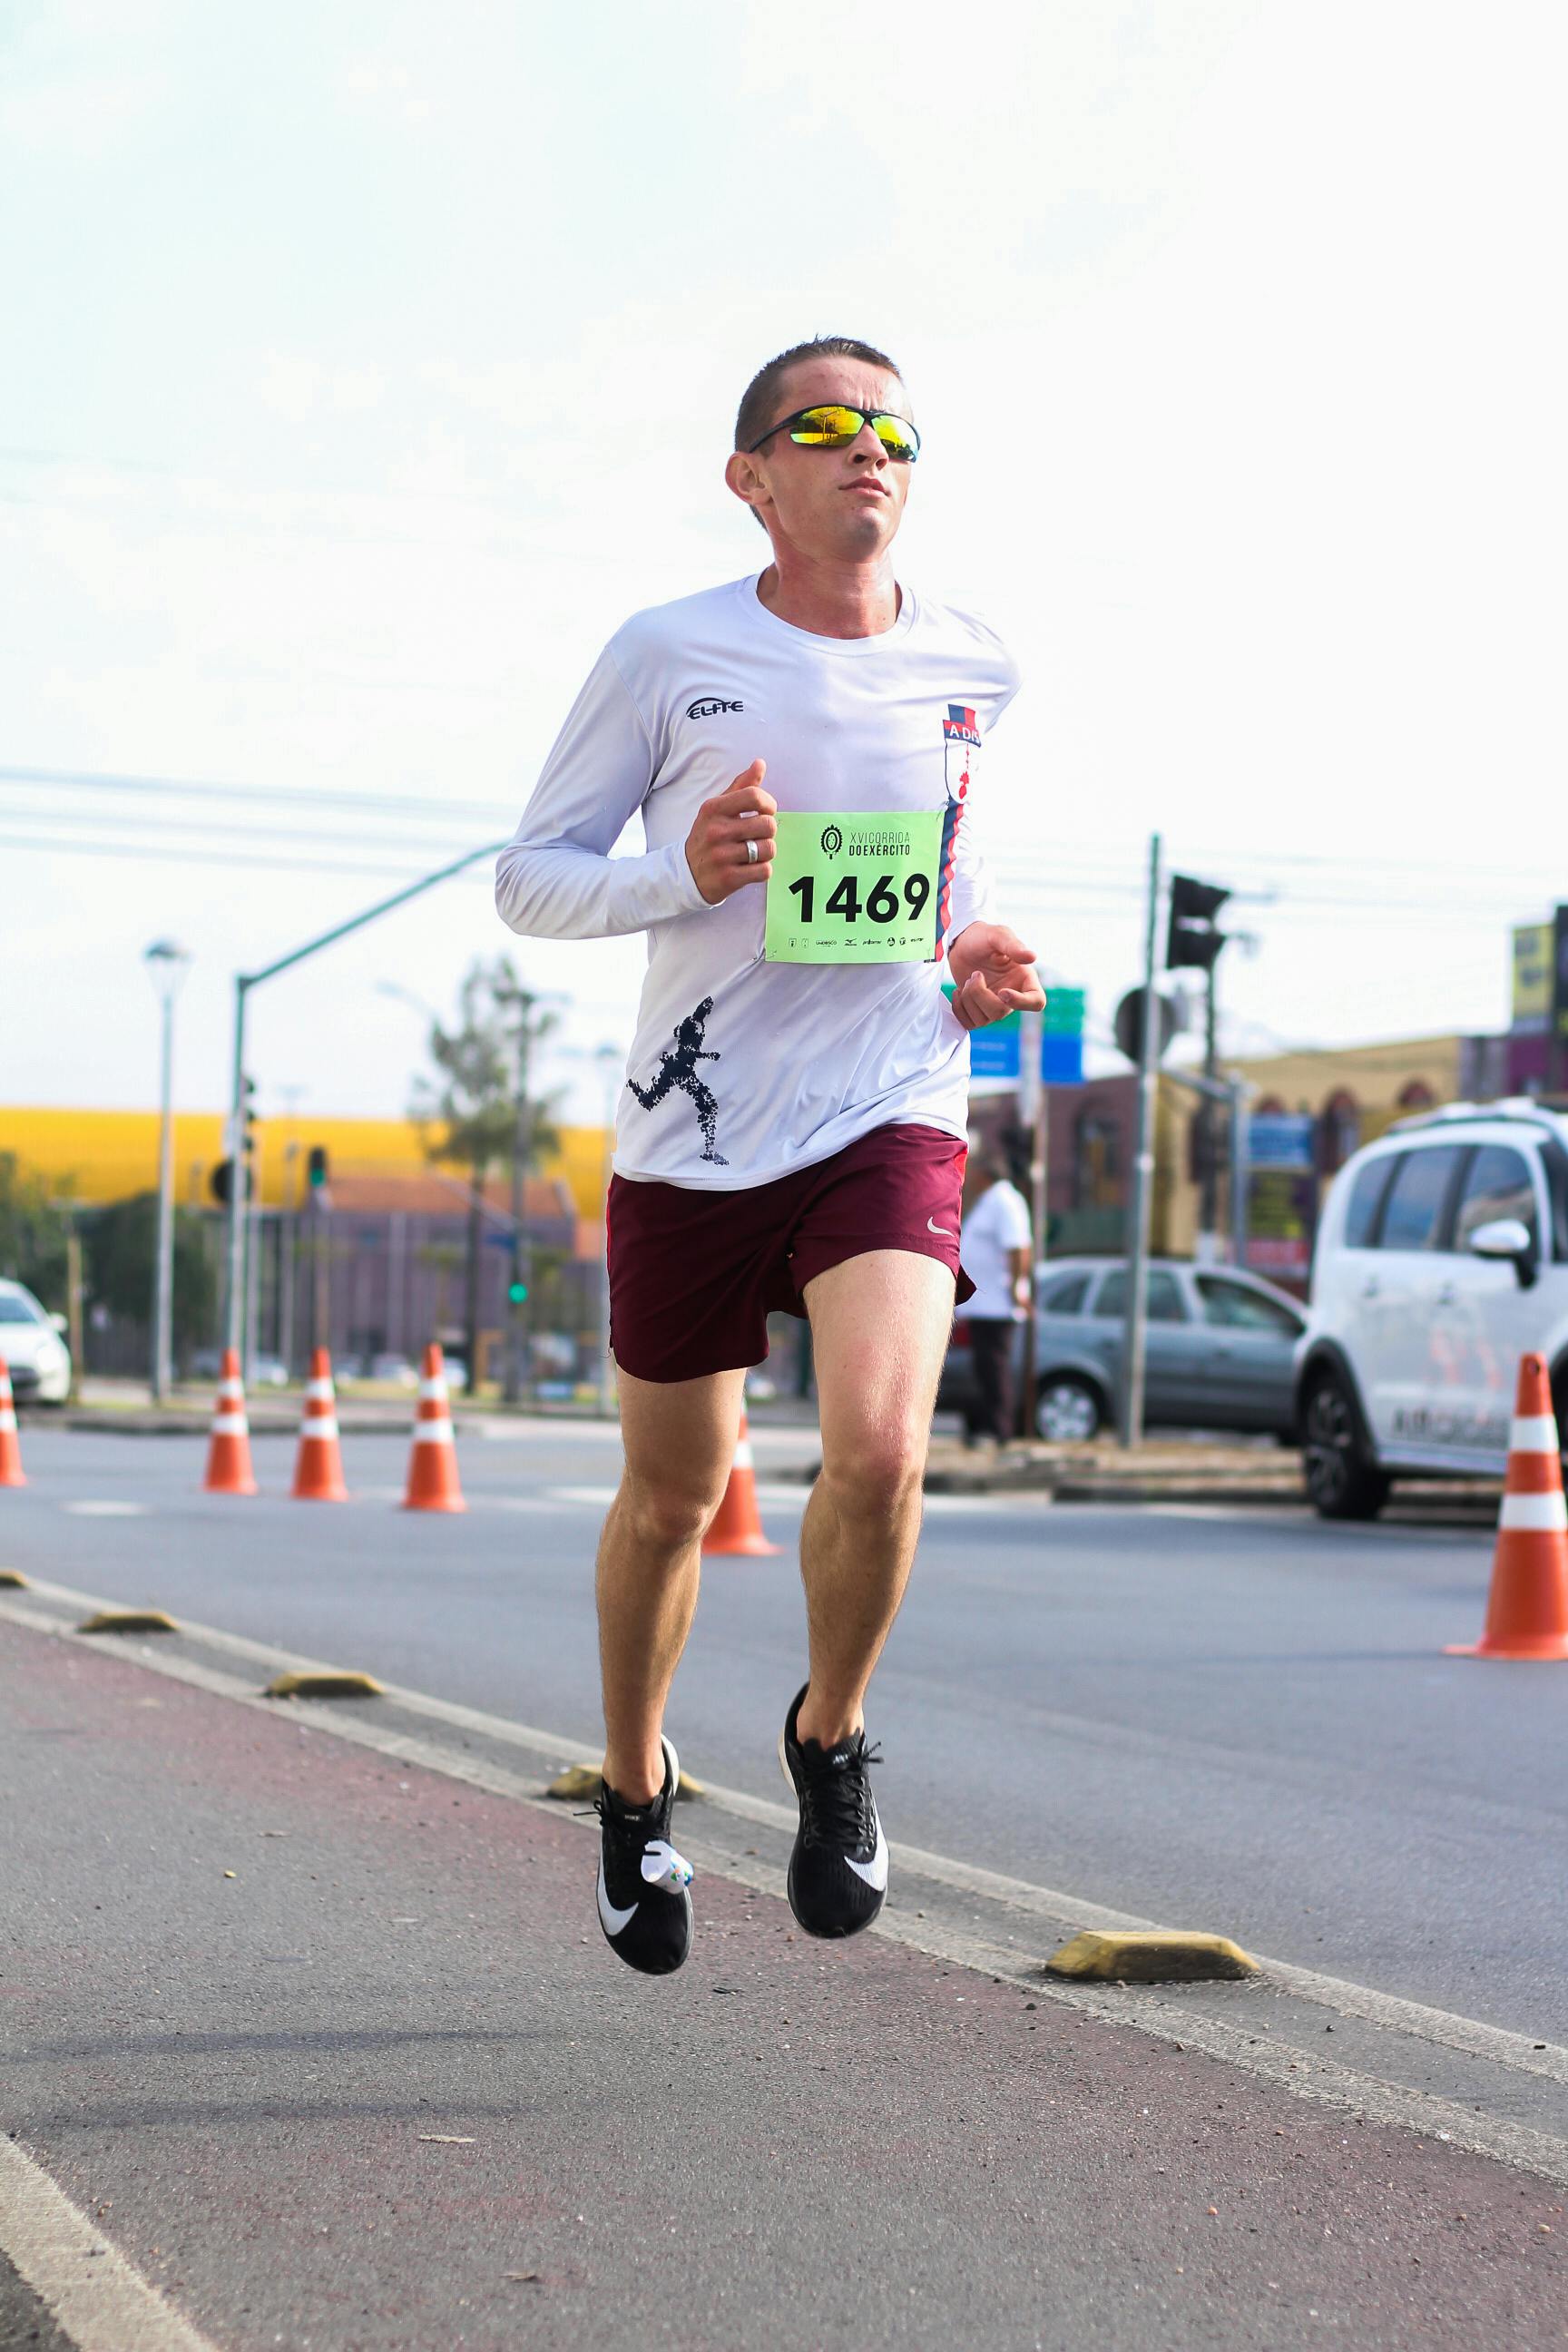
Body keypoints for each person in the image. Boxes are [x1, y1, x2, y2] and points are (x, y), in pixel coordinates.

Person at [495, 334, 1044, 1976]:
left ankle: (831, 1735)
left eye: (892, 429)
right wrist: (677, 869)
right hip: (696, 1128)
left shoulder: (972, 663)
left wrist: (967, 963)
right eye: (825, 426)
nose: (866, 449)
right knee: (675, 1496)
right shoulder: (668, 652)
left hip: (890, 1096)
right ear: (752, 477)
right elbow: (529, 876)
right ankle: (633, 1780)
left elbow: (926, 883)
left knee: (878, 1448)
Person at [959, 1146, 1034, 1448]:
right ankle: (987, 1425)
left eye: (973, 1169)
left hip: (998, 1305)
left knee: (994, 1368)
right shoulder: (991, 1201)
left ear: (985, 1174)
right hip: (984, 1305)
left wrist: (1016, 1287)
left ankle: (999, 1429)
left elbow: (1018, 1248)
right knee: (985, 1368)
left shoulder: (1005, 1201)